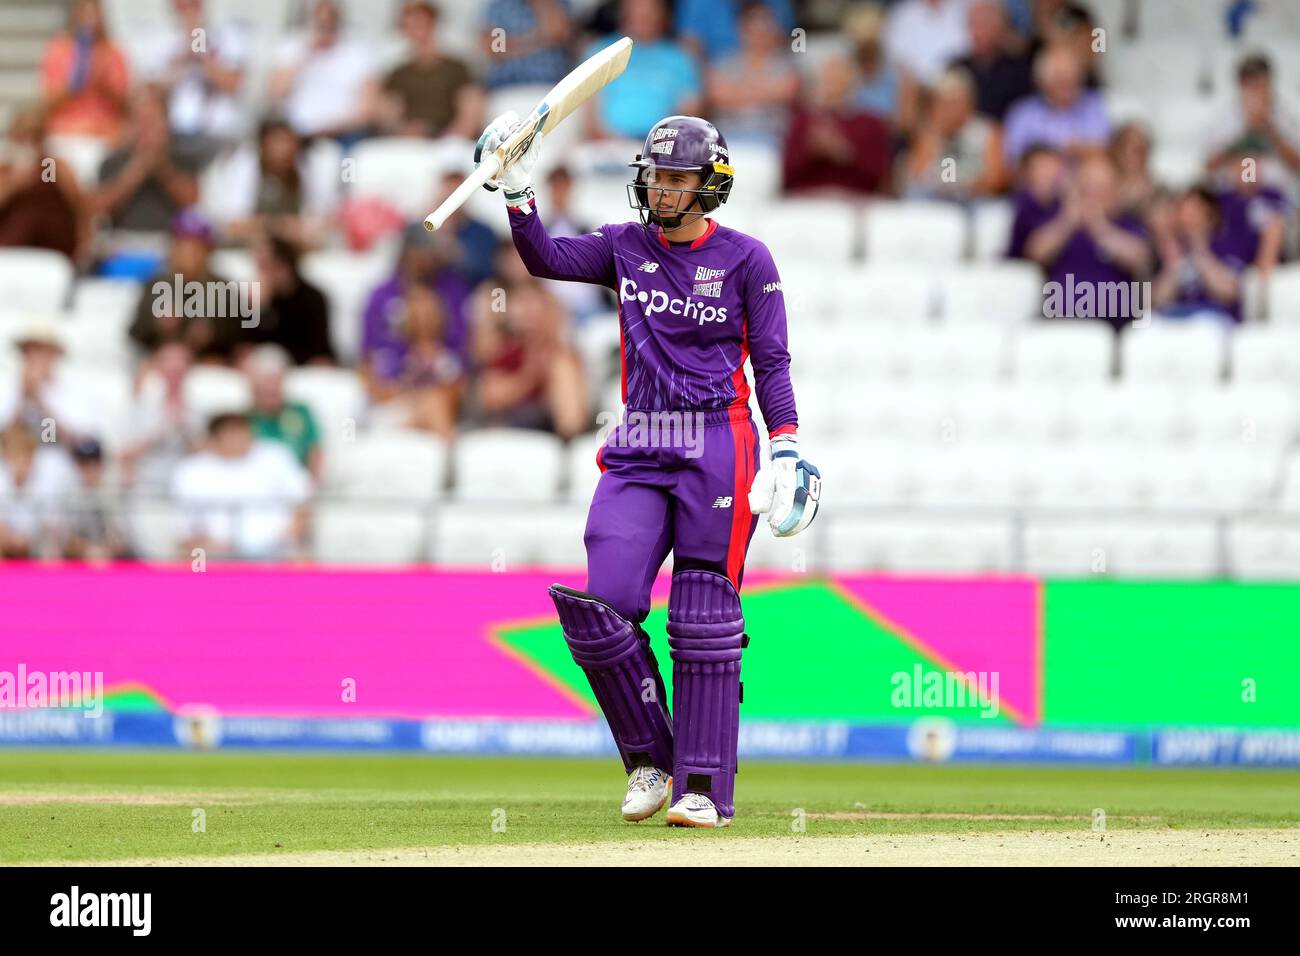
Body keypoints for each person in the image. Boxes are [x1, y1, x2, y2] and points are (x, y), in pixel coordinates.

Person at [475, 110, 821, 827]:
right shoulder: (624, 247)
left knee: (702, 618)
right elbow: (546, 259)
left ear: (709, 185)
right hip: (640, 441)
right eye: (654, 175)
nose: (659, 189)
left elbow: (773, 361)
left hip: (719, 444)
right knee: (604, 605)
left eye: (674, 178)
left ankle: (705, 790)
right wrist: (516, 190)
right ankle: (651, 762)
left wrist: (784, 443)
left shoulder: (748, 259)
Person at [1023, 152, 1152, 329]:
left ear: (1116, 191)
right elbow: (1035, 253)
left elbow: (1140, 258)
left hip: (1114, 322)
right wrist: (1068, 220)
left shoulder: (1128, 224)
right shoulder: (1060, 222)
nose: (1094, 196)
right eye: (1087, 188)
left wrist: (1100, 228)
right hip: (1062, 320)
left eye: (1102, 189)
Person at [171, 411, 311, 561]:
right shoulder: (191, 470)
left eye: (242, 431)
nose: (238, 439)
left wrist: (290, 534)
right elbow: (184, 527)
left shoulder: (276, 456)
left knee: (302, 561)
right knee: (192, 562)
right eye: (231, 433)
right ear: (214, 437)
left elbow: (303, 502)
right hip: (214, 556)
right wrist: (206, 545)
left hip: (278, 552)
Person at [581, 0, 701, 141]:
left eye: (650, 10)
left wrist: (661, 145)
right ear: (623, 12)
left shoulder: (680, 56)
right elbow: (590, 116)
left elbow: (689, 112)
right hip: (608, 145)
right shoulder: (601, 52)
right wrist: (614, 143)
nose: (642, 16)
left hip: (662, 148)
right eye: (636, 9)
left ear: (663, 14)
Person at [90, 85, 203, 232]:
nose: (147, 130)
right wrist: (137, 170)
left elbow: (191, 201)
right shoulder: (113, 161)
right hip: (122, 243)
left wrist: (161, 167)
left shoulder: (182, 158)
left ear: (166, 123)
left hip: (170, 244)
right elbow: (98, 207)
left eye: (153, 121)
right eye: (142, 122)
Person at [269, 0, 378, 143]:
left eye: (330, 22)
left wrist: (329, 129)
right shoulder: (292, 48)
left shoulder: (358, 54)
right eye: (320, 22)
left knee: (349, 162)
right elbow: (276, 94)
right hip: (296, 133)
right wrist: (305, 55)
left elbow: (368, 111)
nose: (325, 27)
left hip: (343, 135)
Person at [782, 55, 892, 196]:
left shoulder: (871, 124)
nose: (833, 83)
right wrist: (810, 151)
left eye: (839, 77)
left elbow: (879, 177)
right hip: (808, 201)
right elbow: (788, 175)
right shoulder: (802, 121)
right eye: (829, 77)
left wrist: (846, 154)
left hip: (854, 202)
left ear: (852, 81)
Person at [704, 2, 801, 149]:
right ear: (741, 28)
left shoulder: (787, 62)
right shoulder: (724, 62)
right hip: (729, 138)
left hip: (773, 139)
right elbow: (717, 95)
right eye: (753, 23)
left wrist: (738, 90)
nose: (759, 30)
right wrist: (768, 89)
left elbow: (788, 91)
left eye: (764, 23)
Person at [901, 66, 1005, 201]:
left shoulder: (987, 132)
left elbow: (995, 180)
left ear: (968, 103)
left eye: (953, 103)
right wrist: (936, 139)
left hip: (975, 203)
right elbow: (915, 177)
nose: (947, 110)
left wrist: (964, 187)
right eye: (942, 102)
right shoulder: (929, 134)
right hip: (935, 202)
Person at [381, 1, 484, 138]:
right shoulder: (399, 73)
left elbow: (471, 109)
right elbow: (390, 113)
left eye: (420, 25)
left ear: (434, 25)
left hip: (450, 140)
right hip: (410, 141)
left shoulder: (457, 68)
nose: (416, 32)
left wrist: (450, 137)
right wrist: (404, 130)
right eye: (409, 27)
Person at [1206, 54, 1300, 199]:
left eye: (1260, 84)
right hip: (1234, 197)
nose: (1255, 92)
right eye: (1250, 85)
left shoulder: (1286, 117)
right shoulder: (1225, 119)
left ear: (1269, 83)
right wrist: (1245, 132)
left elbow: (1296, 163)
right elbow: (1209, 165)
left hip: (1278, 198)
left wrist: (1269, 128)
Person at [1151, 186, 1247, 326]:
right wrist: (1173, 264)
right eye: (1183, 210)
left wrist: (1200, 251)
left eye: (1195, 210)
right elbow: (1158, 301)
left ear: (1211, 215)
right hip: (1177, 318)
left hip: (1214, 318)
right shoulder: (1174, 248)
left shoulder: (1227, 244)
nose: (1187, 217)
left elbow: (1228, 292)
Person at [0, 107, 86, 261]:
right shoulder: (5, 170)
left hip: (53, 249)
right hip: (12, 250)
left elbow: (80, 211)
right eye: (22, 138)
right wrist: (15, 184)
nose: (28, 144)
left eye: (34, 138)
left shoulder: (55, 168)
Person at [39, 0, 131, 142]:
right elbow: (46, 103)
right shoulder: (58, 49)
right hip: (65, 134)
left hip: (106, 135)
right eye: (84, 13)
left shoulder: (113, 52)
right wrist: (73, 84)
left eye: (94, 13)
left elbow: (125, 105)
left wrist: (102, 82)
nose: (89, 20)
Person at [1002, 44, 1108, 165]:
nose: (1069, 84)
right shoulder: (1022, 113)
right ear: (1042, 82)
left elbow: (1105, 150)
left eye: (1073, 78)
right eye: (1060, 80)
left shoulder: (1094, 105)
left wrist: (1080, 151)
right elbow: (1012, 162)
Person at [250, 235, 336, 365]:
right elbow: (250, 345)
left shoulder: (313, 299)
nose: (262, 274)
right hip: (269, 367)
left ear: (284, 267)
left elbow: (318, 347)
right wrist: (261, 308)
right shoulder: (258, 298)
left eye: (266, 266)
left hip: (306, 365)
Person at [242, 344, 325, 480]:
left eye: (275, 383)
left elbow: (315, 451)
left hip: (296, 488)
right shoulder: (242, 418)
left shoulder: (301, 412)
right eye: (265, 387)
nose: (270, 389)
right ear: (253, 387)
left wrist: (310, 486)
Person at [479, 0, 572, 91]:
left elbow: (557, 33)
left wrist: (543, 4)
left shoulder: (558, 3)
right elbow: (495, 49)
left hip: (550, 86)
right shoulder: (498, 6)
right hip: (505, 87)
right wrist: (541, 40)